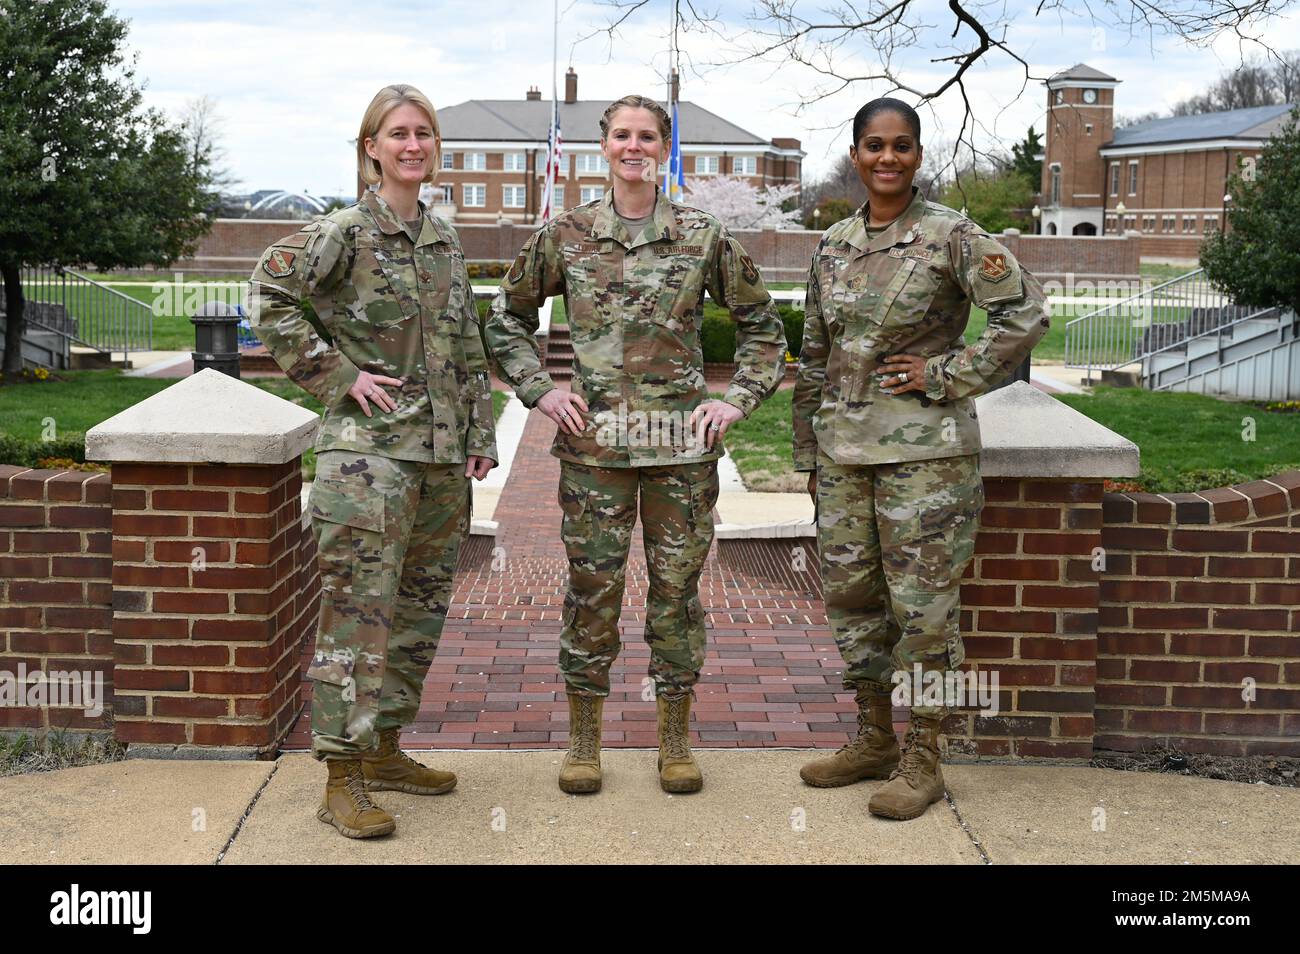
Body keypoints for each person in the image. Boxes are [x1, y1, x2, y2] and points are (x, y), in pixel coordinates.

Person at [486, 94, 786, 795]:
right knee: (592, 593)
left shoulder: (702, 234)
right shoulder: (565, 235)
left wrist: (736, 398)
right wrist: (541, 390)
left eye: (646, 136)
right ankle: (584, 743)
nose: (633, 146)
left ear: (664, 147)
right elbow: (507, 318)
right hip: (597, 453)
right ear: (604, 145)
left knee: (676, 595)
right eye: (621, 135)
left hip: (681, 452)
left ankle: (674, 741)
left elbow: (762, 325)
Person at [248, 85, 497, 838]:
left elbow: (464, 342)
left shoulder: (443, 237)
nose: (413, 145)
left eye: (424, 133)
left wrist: (478, 432)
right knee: (357, 621)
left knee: (419, 617)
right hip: (368, 466)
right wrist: (338, 376)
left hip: (438, 463)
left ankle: (386, 749)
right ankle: (341, 776)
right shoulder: (344, 232)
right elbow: (267, 292)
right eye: (398, 134)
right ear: (371, 148)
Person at [792, 98, 1049, 820]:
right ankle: (874, 737)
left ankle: (924, 755)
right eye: (874, 145)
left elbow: (1024, 316)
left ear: (918, 155)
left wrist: (943, 376)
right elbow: (814, 353)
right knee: (851, 602)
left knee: (923, 611)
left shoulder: (952, 235)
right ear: (855, 153)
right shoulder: (834, 242)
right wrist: (805, 450)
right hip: (843, 454)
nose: (887, 158)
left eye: (901, 146)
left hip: (925, 461)